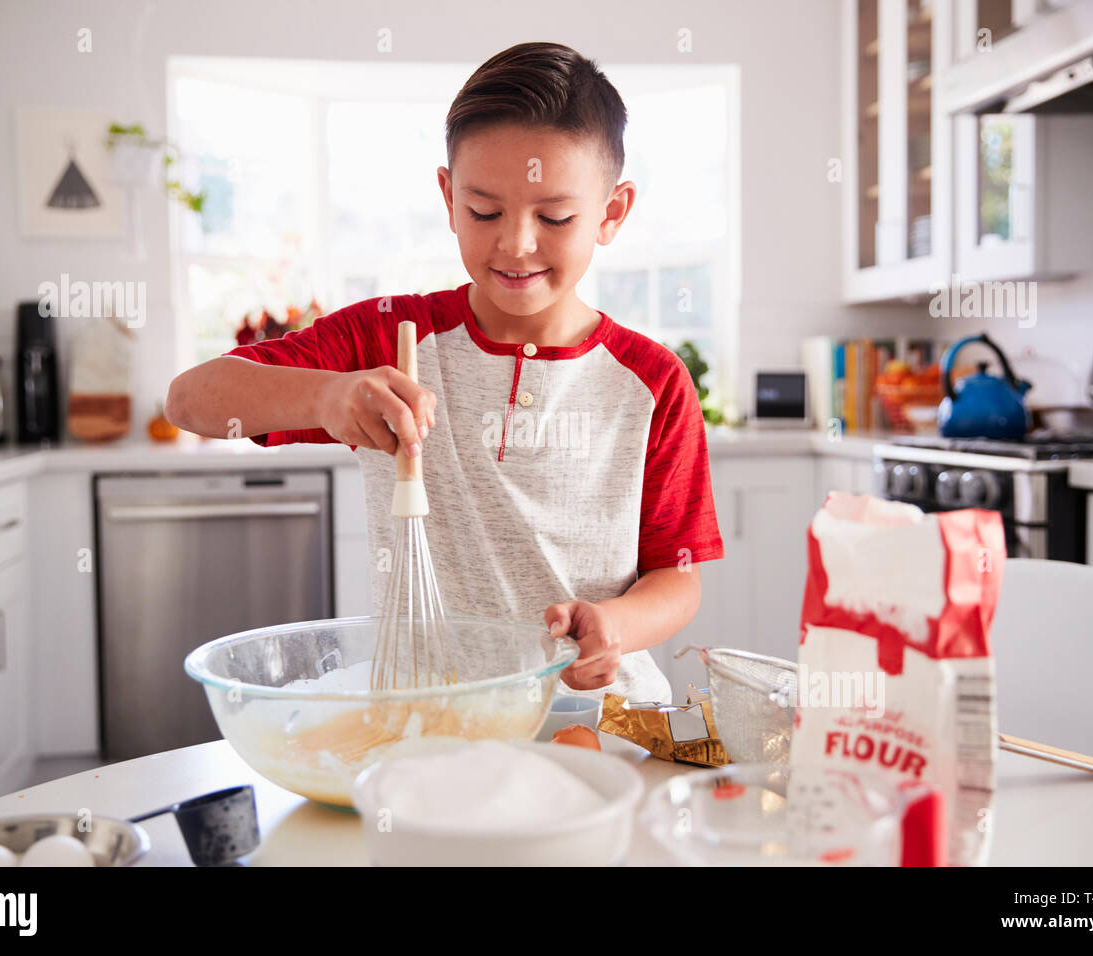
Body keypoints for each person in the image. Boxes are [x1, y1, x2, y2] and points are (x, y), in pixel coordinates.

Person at [166, 41, 724, 703]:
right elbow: (190, 400)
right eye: (484, 211)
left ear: (611, 212)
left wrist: (615, 626)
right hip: (429, 719)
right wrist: (328, 393)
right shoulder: (385, 338)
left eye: (555, 216)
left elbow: (679, 577)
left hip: (604, 718)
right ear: (448, 196)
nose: (515, 243)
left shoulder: (651, 381)